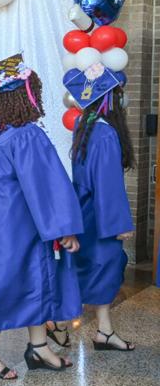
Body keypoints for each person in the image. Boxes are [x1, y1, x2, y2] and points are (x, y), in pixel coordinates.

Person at [0, 54, 83, 380]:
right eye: (34, 91)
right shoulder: (26, 135)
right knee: (10, 285)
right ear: (27, 95)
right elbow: (47, 185)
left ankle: (38, 346)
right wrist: (63, 227)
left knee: (30, 283)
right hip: (20, 229)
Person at [51, 66, 135, 351]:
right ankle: (60, 323)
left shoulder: (84, 124)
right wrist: (119, 223)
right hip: (101, 216)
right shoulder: (107, 134)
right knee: (105, 269)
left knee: (91, 270)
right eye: (119, 95)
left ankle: (103, 331)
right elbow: (108, 184)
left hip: (84, 210)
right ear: (111, 100)